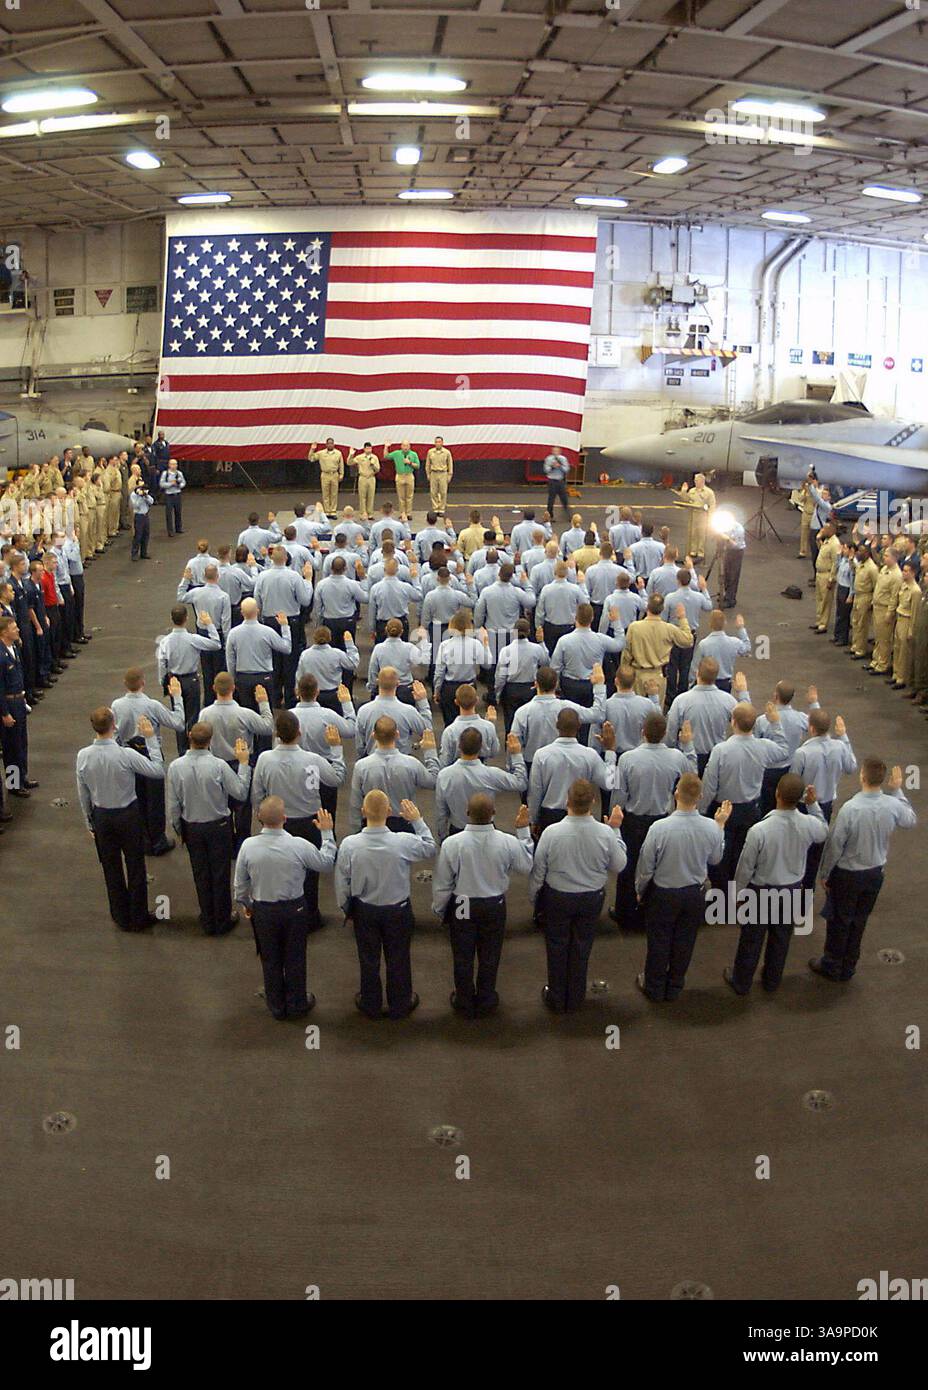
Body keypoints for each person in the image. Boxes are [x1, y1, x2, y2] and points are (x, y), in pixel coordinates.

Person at [811, 759, 917, 982]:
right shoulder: (892, 805)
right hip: (874, 873)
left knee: (840, 920)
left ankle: (832, 964)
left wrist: (825, 873)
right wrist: (898, 790)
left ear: (862, 777)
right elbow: (910, 820)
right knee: (859, 920)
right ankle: (849, 966)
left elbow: (836, 844)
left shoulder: (851, 809)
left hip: (848, 874)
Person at [234, 797, 337, 1020]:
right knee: (295, 957)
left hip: (263, 910)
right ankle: (297, 1003)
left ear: (258, 817)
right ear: (285, 818)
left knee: (270, 959)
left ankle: (276, 1005)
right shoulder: (298, 845)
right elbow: (327, 863)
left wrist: (247, 905)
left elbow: (240, 885)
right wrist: (327, 834)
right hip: (294, 911)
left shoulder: (248, 846)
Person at [335, 792, 435, 1018]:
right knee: (398, 957)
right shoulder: (402, 841)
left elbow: (343, 882)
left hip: (365, 910)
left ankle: (370, 1002)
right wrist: (416, 820)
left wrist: (346, 908)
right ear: (389, 813)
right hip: (397, 910)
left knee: (368, 958)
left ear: (363, 812)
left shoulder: (350, 845)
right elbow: (430, 847)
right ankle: (400, 1003)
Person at [433, 796, 534, 1017]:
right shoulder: (507, 842)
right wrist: (524, 832)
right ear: (494, 813)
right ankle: (487, 997)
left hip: (463, 902)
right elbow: (527, 866)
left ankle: (463, 998)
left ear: (467, 813)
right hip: (493, 903)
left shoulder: (452, 843)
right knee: (490, 953)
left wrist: (440, 909)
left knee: (462, 953)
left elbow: (443, 882)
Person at [725, 775, 827, 996]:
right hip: (791, 890)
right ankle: (772, 980)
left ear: (776, 794)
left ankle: (741, 981)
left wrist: (738, 894)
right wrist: (814, 805)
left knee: (751, 939)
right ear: (800, 798)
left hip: (761, 892)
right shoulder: (809, 825)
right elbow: (823, 830)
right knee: (781, 938)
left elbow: (745, 867)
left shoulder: (759, 830)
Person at [531, 778, 626, 1012]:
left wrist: (535, 897)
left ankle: (556, 996)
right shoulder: (605, 834)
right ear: (593, 802)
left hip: (558, 897)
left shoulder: (552, 833)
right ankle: (575, 997)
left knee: (556, 946)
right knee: (582, 946)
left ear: (567, 801)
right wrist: (616, 830)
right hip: (591, 898)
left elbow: (539, 870)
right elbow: (620, 865)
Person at [635, 773, 729, 1001]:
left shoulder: (659, 828)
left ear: (676, 793)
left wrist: (640, 889)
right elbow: (716, 860)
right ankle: (675, 985)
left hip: (663, 894)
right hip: (694, 894)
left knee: (659, 941)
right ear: (701, 797)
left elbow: (646, 866)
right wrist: (720, 826)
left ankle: (654, 987)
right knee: (685, 940)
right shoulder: (711, 828)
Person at [76, 708, 166, 931]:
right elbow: (157, 770)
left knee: (111, 867)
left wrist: (89, 821)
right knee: (135, 865)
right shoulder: (126, 755)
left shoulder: (83, 756)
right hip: (128, 815)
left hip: (102, 817)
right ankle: (139, 916)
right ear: (114, 725)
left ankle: (120, 915)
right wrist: (151, 739)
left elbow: (83, 793)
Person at [610, 710, 696, 931]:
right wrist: (687, 747)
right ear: (666, 733)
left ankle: (625, 913)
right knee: (657, 867)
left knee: (629, 867)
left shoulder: (627, 758)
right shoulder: (677, 757)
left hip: (633, 821)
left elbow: (618, 794)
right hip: (663, 819)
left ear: (642, 733)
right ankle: (652, 911)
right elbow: (692, 780)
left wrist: (614, 817)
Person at [167, 722, 251, 936]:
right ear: (210, 741)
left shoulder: (176, 767)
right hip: (218, 826)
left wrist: (179, 828)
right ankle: (222, 919)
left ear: (189, 737)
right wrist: (243, 764)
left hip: (192, 826)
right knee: (220, 873)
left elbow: (173, 803)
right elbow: (240, 793)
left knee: (200, 873)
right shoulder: (219, 766)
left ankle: (207, 917)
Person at [699, 701, 789, 891]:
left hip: (724, 808)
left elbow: (710, 785)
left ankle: (721, 894)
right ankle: (739, 889)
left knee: (720, 852)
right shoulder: (762, 747)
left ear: (733, 722)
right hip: (750, 808)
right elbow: (783, 750)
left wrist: (701, 810)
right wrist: (775, 723)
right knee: (743, 852)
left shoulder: (721, 750)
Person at [112, 667, 186, 856]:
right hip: (149, 751)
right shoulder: (152, 706)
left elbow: (116, 733)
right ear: (143, 683)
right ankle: (157, 840)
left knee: (136, 796)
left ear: (125, 685)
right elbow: (178, 723)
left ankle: (142, 839)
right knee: (155, 799)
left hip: (128, 753)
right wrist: (177, 698)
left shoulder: (117, 705)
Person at [199, 670, 275, 849]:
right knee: (242, 808)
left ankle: (225, 842)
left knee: (222, 806)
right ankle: (241, 843)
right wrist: (263, 703)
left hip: (217, 765)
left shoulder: (205, 715)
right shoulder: (244, 714)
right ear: (233, 688)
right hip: (241, 765)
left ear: (213, 688)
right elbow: (267, 726)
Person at [790, 708, 857, 888]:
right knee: (816, 850)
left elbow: (793, 782)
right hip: (826, 805)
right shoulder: (840, 747)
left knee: (798, 850)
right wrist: (843, 737)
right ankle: (808, 889)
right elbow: (851, 767)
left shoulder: (802, 753)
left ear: (811, 728)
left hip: (804, 806)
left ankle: (795, 888)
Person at [528, 708, 617, 833]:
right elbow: (610, 784)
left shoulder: (541, 755)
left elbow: (535, 791)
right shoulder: (589, 755)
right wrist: (610, 751)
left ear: (557, 725)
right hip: (580, 813)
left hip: (550, 815)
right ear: (579, 725)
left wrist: (534, 819)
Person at [435, 728, 527, 839]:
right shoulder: (491, 774)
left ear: (459, 746)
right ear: (480, 748)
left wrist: (443, 836)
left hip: (457, 831)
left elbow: (441, 811)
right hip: (487, 830)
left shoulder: (444, 775)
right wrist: (516, 755)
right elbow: (520, 783)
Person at [156, 605, 221, 754]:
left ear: (172, 619)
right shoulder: (193, 639)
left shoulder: (165, 641)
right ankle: (194, 747)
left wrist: (163, 681)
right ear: (186, 619)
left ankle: (181, 750)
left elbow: (162, 663)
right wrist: (209, 624)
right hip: (191, 680)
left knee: (178, 717)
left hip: (174, 681)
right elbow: (216, 644)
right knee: (193, 717)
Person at [754, 680, 818, 815]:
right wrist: (814, 704)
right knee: (788, 807)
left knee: (766, 807)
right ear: (792, 698)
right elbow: (817, 723)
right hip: (791, 770)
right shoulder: (800, 718)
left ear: (775, 696)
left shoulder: (762, 720)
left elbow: (755, 744)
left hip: (768, 771)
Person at [225, 596, 292, 712]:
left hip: (243, 678)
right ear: (257, 610)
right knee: (266, 714)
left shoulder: (233, 633)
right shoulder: (267, 632)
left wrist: (233, 678)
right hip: (264, 677)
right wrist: (285, 627)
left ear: (242, 612)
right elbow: (286, 648)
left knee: (247, 714)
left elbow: (230, 660)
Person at [622, 596, 693, 703]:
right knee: (656, 713)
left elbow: (627, 654)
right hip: (658, 675)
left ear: (647, 607)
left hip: (638, 675)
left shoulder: (634, 627)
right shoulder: (669, 628)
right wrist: (682, 618)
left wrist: (624, 671)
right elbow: (688, 640)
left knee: (637, 710)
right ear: (662, 609)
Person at [0, 617, 35, 798]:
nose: (18, 630)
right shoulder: (0, 655)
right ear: (4, 632)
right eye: (14, 628)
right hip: (8, 703)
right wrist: (4, 713)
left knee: (22, 742)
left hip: (19, 701)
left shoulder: (13, 648)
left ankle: (23, 777)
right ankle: (13, 784)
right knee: (11, 748)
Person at [494, 620, 550, 733]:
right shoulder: (536, 649)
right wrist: (541, 643)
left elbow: (500, 676)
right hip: (530, 689)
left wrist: (498, 694)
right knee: (530, 724)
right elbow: (546, 663)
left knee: (510, 725)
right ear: (529, 632)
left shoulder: (506, 651)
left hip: (511, 691)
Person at [691, 609, 750, 693]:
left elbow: (694, 667)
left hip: (706, 683)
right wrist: (741, 628)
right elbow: (747, 647)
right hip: (725, 685)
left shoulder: (704, 644)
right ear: (725, 623)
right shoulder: (734, 643)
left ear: (710, 624)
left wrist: (691, 684)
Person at [865, 547, 902, 675]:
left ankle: (883, 664)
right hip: (877, 606)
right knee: (878, 636)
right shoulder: (884, 569)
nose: (884, 558)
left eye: (886, 556)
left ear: (894, 558)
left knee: (885, 638)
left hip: (885, 609)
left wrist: (890, 613)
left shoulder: (897, 575)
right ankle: (876, 660)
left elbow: (894, 596)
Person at [891, 560, 920, 689]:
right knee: (897, 647)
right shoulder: (903, 585)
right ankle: (896, 674)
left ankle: (902, 677)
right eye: (903, 570)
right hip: (899, 617)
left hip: (907, 620)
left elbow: (914, 613)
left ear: (913, 573)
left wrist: (911, 631)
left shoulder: (915, 591)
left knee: (904, 651)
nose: (903, 573)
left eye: (906, 571)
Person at [849, 544, 879, 661]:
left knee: (862, 624)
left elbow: (876, 585)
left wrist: (872, 601)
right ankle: (855, 645)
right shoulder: (861, 564)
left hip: (865, 597)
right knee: (856, 622)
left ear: (866, 553)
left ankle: (861, 649)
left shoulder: (872, 568)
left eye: (860, 552)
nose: (858, 553)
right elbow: (855, 570)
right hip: (858, 595)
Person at [677, 473, 716, 560]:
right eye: (695, 480)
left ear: (702, 481)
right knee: (693, 533)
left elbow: (712, 505)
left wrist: (710, 516)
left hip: (703, 515)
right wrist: (683, 491)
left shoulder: (709, 492)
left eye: (696, 480)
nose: (695, 482)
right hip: (693, 514)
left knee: (701, 533)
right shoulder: (692, 491)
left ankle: (700, 552)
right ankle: (693, 551)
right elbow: (686, 499)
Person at [811, 523, 840, 635]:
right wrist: (818, 538)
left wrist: (831, 579)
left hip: (827, 575)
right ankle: (819, 620)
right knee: (819, 599)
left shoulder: (835, 544)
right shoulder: (827, 541)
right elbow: (821, 550)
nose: (822, 530)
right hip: (820, 574)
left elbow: (835, 562)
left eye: (824, 529)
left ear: (831, 530)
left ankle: (823, 624)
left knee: (825, 601)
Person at [716, 513, 746, 608]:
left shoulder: (739, 529)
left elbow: (736, 545)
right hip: (728, 550)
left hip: (737, 552)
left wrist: (727, 539)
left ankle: (731, 599)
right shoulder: (725, 526)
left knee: (733, 575)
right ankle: (726, 594)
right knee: (726, 573)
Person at [385, 439, 420, 521]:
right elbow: (386, 456)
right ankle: (402, 513)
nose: (405, 447)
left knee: (409, 496)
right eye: (404, 445)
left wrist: (410, 463)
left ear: (409, 446)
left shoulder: (413, 454)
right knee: (401, 496)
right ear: (401, 446)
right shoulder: (397, 453)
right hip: (400, 476)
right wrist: (386, 447)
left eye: (407, 446)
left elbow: (417, 466)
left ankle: (408, 513)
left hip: (409, 476)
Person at [309, 438, 345, 516]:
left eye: (331, 443)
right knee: (326, 494)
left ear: (334, 444)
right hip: (325, 475)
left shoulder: (338, 453)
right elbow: (311, 458)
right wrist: (312, 449)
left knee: (334, 494)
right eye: (328, 443)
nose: (330, 445)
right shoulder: (321, 453)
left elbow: (341, 464)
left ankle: (333, 511)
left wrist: (341, 474)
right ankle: (327, 512)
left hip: (334, 474)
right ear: (326, 444)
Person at [832, 540, 856, 647]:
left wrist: (851, 595)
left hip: (847, 590)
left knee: (844, 615)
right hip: (840, 587)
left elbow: (853, 581)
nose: (843, 550)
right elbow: (837, 566)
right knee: (838, 613)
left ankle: (843, 638)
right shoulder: (843, 560)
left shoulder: (853, 563)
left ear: (851, 550)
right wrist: (838, 554)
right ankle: (837, 635)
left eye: (845, 548)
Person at [347, 442, 380, 519]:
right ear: (364, 449)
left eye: (370, 448)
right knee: (362, 497)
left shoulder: (374, 457)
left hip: (371, 477)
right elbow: (349, 463)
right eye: (367, 448)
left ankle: (370, 513)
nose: (369, 450)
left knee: (371, 496)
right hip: (363, 477)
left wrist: (373, 465)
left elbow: (378, 469)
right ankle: (363, 513)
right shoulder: (360, 457)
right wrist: (351, 454)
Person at [425, 436, 453, 514]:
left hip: (443, 473)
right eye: (436, 442)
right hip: (433, 473)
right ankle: (435, 508)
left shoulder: (447, 452)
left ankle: (441, 509)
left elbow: (450, 464)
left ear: (442, 443)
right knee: (433, 492)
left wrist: (450, 474)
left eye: (439, 442)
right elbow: (428, 464)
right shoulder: (430, 452)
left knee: (443, 492)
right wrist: (428, 473)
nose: (438, 443)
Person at [159, 460, 186, 537]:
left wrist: (179, 485)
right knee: (169, 513)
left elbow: (184, 482)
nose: (174, 466)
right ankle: (170, 530)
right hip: (169, 495)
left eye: (175, 464)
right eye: (172, 464)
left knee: (178, 512)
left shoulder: (179, 473)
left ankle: (178, 528)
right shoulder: (165, 474)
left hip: (177, 494)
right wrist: (171, 484)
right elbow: (161, 484)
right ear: (169, 465)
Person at [543, 445, 570, 518]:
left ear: (560, 452)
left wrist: (560, 466)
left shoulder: (563, 459)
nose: (555, 452)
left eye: (557, 451)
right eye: (554, 451)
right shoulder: (549, 459)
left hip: (560, 481)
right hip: (552, 481)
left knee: (564, 498)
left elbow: (566, 469)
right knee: (551, 499)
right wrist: (552, 467)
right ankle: (549, 515)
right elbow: (546, 470)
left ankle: (568, 515)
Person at [129, 479, 153, 560]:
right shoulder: (133, 495)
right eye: (140, 486)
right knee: (138, 535)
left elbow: (151, 502)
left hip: (145, 515)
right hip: (138, 516)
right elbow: (136, 506)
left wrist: (145, 496)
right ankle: (134, 554)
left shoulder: (145, 493)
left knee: (146, 535)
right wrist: (140, 496)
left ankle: (144, 553)